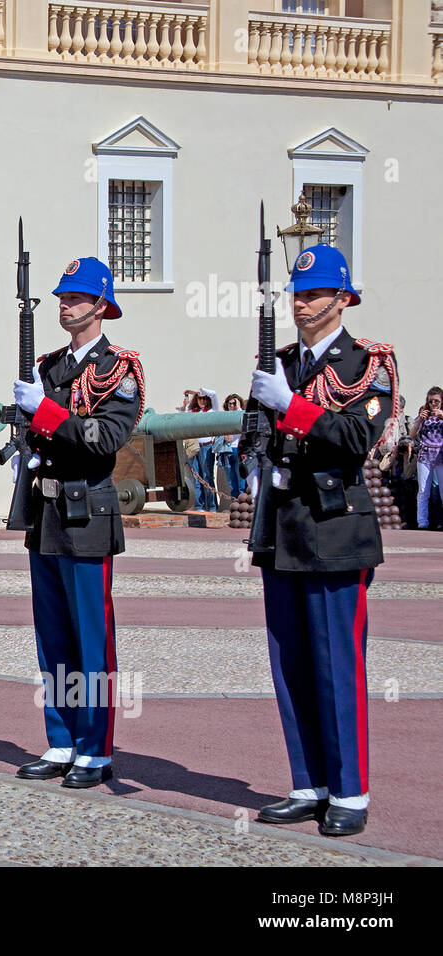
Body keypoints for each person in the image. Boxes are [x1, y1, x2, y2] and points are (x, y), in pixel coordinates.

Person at [246, 243, 397, 837]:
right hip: (282, 528)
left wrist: (294, 408)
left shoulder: (368, 363)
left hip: (336, 526)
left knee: (338, 663)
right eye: (298, 294)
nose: (303, 304)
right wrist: (256, 456)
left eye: (315, 295)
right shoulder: (279, 360)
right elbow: (255, 433)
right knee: (292, 663)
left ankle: (350, 790)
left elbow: (358, 436)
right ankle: (308, 781)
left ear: (343, 298)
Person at [10, 257, 145, 788]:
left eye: (76, 298)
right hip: (46, 514)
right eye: (62, 298)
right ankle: (61, 739)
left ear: (101, 305)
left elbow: (104, 440)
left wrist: (44, 413)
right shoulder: (49, 366)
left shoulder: (120, 368)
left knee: (91, 637)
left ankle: (95, 747)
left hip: (87, 509)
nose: (66, 306)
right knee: (53, 638)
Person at [408, 387, 443, 530]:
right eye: (431, 401)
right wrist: (419, 420)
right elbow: (411, 434)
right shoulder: (424, 414)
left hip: (441, 454)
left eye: (437, 401)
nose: (433, 404)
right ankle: (422, 522)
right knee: (423, 490)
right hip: (425, 455)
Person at [189, 388, 220, 511]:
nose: (202, 400)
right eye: (199, 398)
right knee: (196, 478)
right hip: (194, 447)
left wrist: (199, 390)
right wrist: (186, 404)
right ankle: (199, 506)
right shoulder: (192, 412)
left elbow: (214, 394)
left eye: (204, 398)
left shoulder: (212, 411)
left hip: (207, 446)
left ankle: (212, 506)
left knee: (207, 477)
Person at [219, 393, 247, 499]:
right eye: (229, 403)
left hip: (238, 449)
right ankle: (235, 501)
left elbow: (243, 419)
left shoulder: (241, 414)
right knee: (231, 479)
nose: (232, 405)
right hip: (227, 450)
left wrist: (239, 407)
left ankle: (242, 500)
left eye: (234, 403)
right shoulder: (225, 416)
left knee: (241, 479)